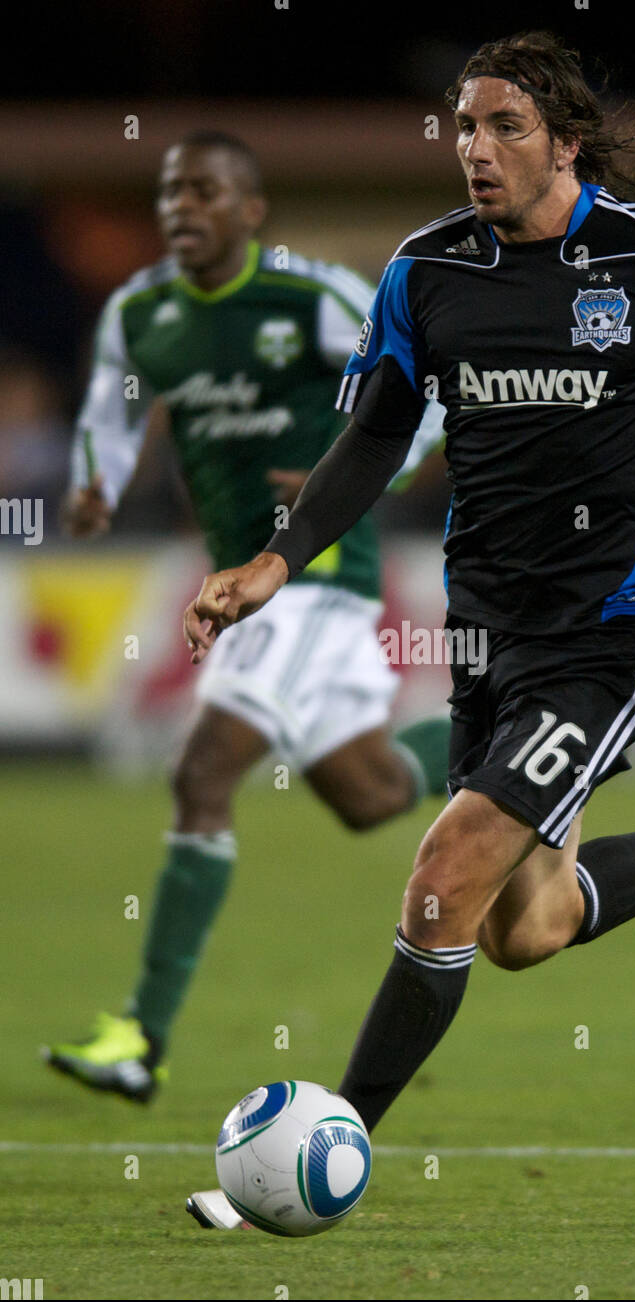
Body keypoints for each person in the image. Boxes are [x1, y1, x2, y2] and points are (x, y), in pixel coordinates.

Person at [181, 34, 635, 1148]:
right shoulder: (424, 273)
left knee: (442, 874)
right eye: (462, 127)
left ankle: (324, 1147)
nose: (475, 151)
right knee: (523, 925)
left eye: (504, 127)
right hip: (488, 633)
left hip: (616, 630)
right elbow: (375, 435)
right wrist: (273, 561)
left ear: (564, 142)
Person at [43, 132, 449, 1103]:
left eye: (205, 190)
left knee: (201, 769)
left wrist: (367, 470)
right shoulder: (142, 313)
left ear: (250, 210)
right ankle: (493, 736)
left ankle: (141, 1037)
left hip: (307, 571)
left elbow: (419, 388)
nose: (183, 206)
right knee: (370, 794)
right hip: (242, 580)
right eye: (171, 191)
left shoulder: (310, 298)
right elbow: (106, 402)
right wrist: (93, 480)